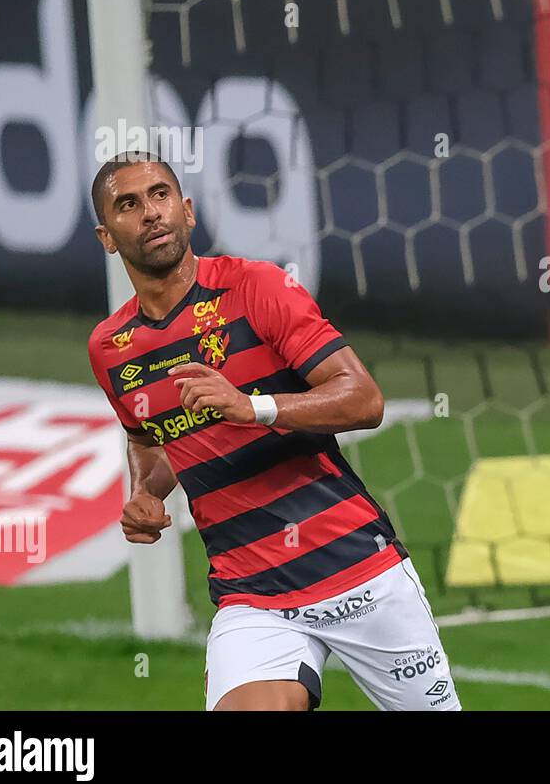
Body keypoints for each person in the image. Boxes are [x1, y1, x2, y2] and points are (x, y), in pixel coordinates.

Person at [86, 152, 459, 711]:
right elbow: (150, 437)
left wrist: (253, 407)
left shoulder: (257, 288)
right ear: (107, 237)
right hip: (251, 594)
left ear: (187, 211)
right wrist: (146, 491)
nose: (150, 213)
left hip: (357, 569)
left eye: (161, 195)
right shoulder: (111, 349)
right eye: (128, 205)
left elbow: (364, 398)